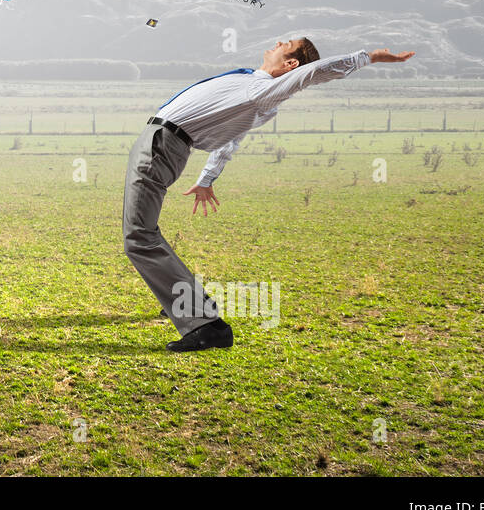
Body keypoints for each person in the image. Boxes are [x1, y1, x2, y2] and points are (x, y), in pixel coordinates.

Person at [123, 38, 415, 352]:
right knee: (142, 233)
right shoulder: (252, 86)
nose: (278, 42)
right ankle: (183, 302)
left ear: (291, 64)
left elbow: (313, 72)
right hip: (162, 142)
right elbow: (231, 139)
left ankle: (205, 323)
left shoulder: (260, 91)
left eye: (286, 43)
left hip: (162, 144)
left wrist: (367, 57)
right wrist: (207, 178)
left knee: (139, 236)